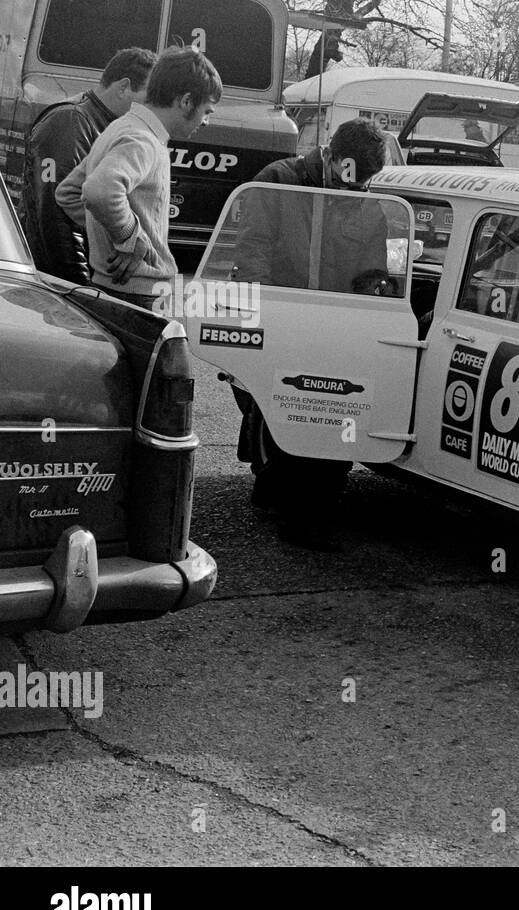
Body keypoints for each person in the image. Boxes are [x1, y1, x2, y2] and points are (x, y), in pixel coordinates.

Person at [230, 119, 392, 551]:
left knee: (333, 413)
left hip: (339, 324)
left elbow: (374, 268)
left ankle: (307, 508)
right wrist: (263, 312)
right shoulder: (279, 182)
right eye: (356, 173)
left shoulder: (366, 201)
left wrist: (374, 306)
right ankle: (290, 507)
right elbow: (252, 249)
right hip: (288, 317)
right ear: (336, 158)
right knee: (288, 411)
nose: (359, 185)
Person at [55, 47, 221, 309]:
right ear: (186, 101)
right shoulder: (143, 140)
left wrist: (112, 237)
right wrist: (129, 238)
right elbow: (99, 190)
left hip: (110, 288)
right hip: (139, 295)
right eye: (207, 111)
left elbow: (68, 193)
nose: (206, 122)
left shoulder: (120, 128)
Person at [20, 47, 156, 283]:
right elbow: (53, 217)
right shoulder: (70, 122)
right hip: (61, 286)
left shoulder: (110, 128)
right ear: (123, 87)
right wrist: (79, 288)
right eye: (149, 101)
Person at [233, 118, 390, 292]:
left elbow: (372, 271)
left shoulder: (369, 208)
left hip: (336, 311)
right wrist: (264, 302)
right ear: (329, 155)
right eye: (340, 181)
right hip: (281, 304)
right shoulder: (277, 181)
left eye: (357, 187)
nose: (346, 191)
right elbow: (253, 249)